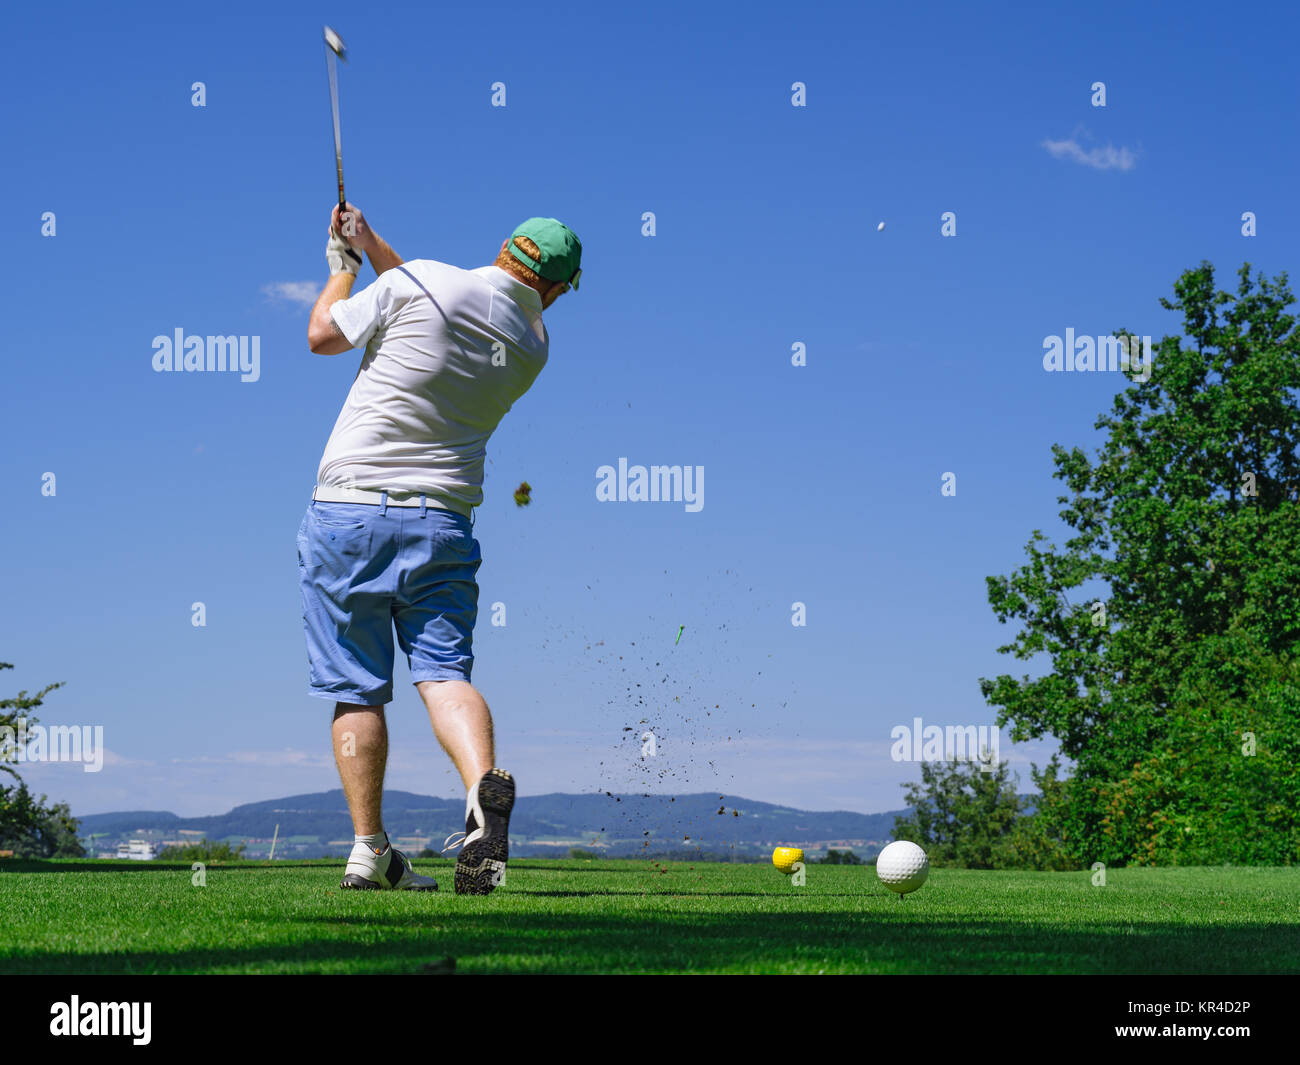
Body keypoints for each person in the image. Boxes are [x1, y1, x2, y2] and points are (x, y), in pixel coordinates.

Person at [299, 202, 582, 894]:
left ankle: (368, 848)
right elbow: (436, 302)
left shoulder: (419, 282)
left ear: (504, 245)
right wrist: (373, 244)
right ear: (554, 289)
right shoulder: (532, 344)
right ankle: (479, 798)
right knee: (444, 674)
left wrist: (342, 267)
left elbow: (321, 335)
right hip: (445, 524)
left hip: (350, 513)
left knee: (356, 688)